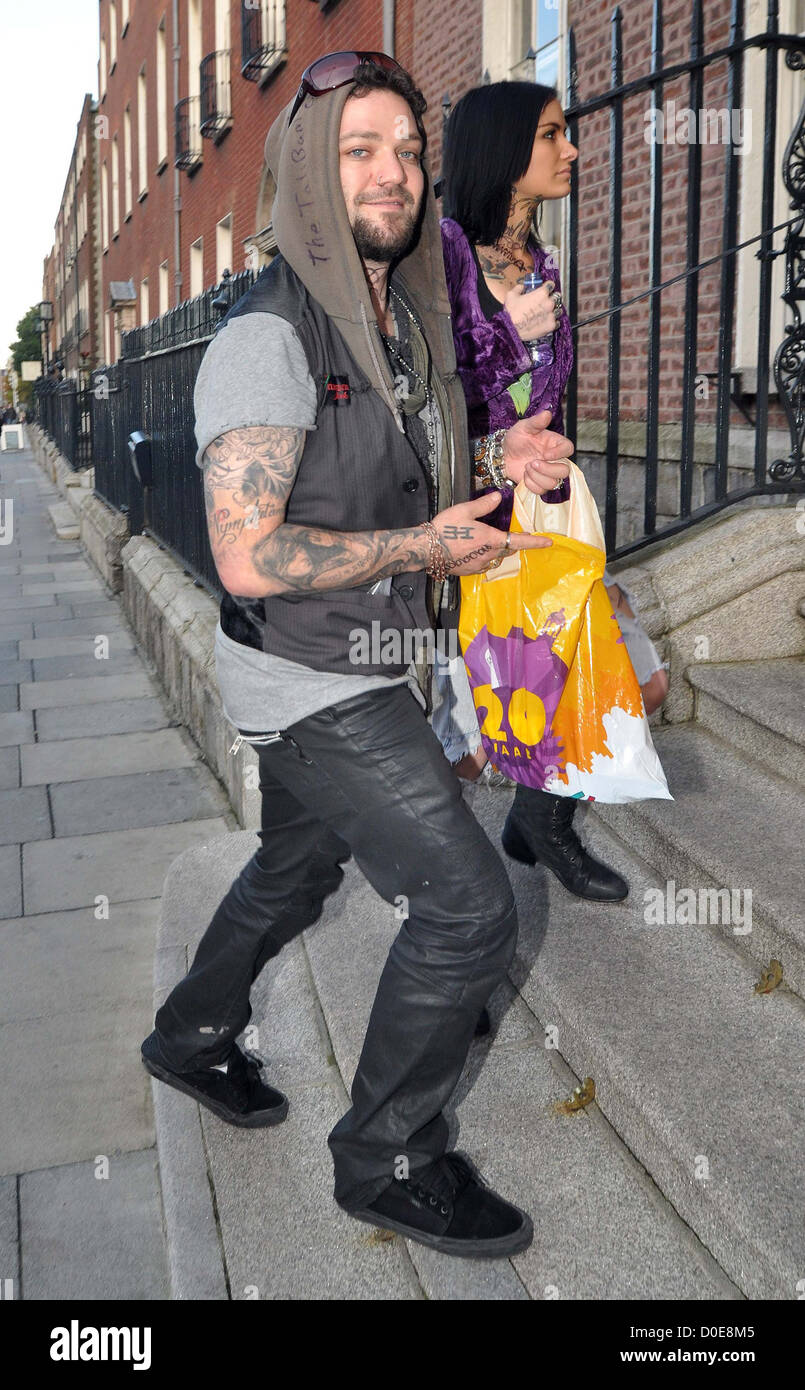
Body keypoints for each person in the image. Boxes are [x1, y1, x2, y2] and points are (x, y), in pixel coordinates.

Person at [140, 53, 575, 1260]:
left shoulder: (391, 313)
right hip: (313, 680)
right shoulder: (266, 336)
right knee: (470, 907)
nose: (389, 173)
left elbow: (407, 477)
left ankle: (188, 1034)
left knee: (294, 866)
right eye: (356, 150)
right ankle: (387, 1155)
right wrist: (424, 547)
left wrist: (502, 465)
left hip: (367, 654)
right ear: (307, 176)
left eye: (405, 149)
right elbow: (245, 552)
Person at [436, 80, 668, 902]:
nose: (569, 149)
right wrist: (510, 335)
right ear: (501, 149)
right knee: (527, 682)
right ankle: (537, 828)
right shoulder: (444, 253)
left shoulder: (543, 263)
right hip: (477, 507)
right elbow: (436, 396)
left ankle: (536, 820)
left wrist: (552, 450)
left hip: (546, 494)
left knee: (611, 669)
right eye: (549, 135)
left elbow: (549, 389)